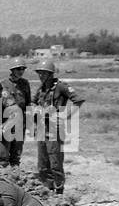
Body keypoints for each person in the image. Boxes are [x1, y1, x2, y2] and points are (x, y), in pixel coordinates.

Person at [31, 57, 82, 193]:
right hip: (42, 127)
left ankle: (59, 191)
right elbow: (33, 102)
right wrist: (35, 108)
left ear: (50, 74)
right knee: (42, 164)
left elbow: (78, 100)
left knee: (55, 162)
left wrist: (65, 115)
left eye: (44, 73)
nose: (41, 76)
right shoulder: (41, 88)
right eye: (39, 73)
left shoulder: (60, 86)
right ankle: (48, 189)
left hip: (54, 128)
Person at [3, 59, 32, 167]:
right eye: (18, 69)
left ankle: (15, 170)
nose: (21, 71)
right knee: (4, 150)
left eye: (23, 69)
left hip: (21, 122)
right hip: (7, 121)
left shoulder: (25, 83)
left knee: (17, 150)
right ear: (12, 70)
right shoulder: (3, 84)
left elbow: (28, 103)